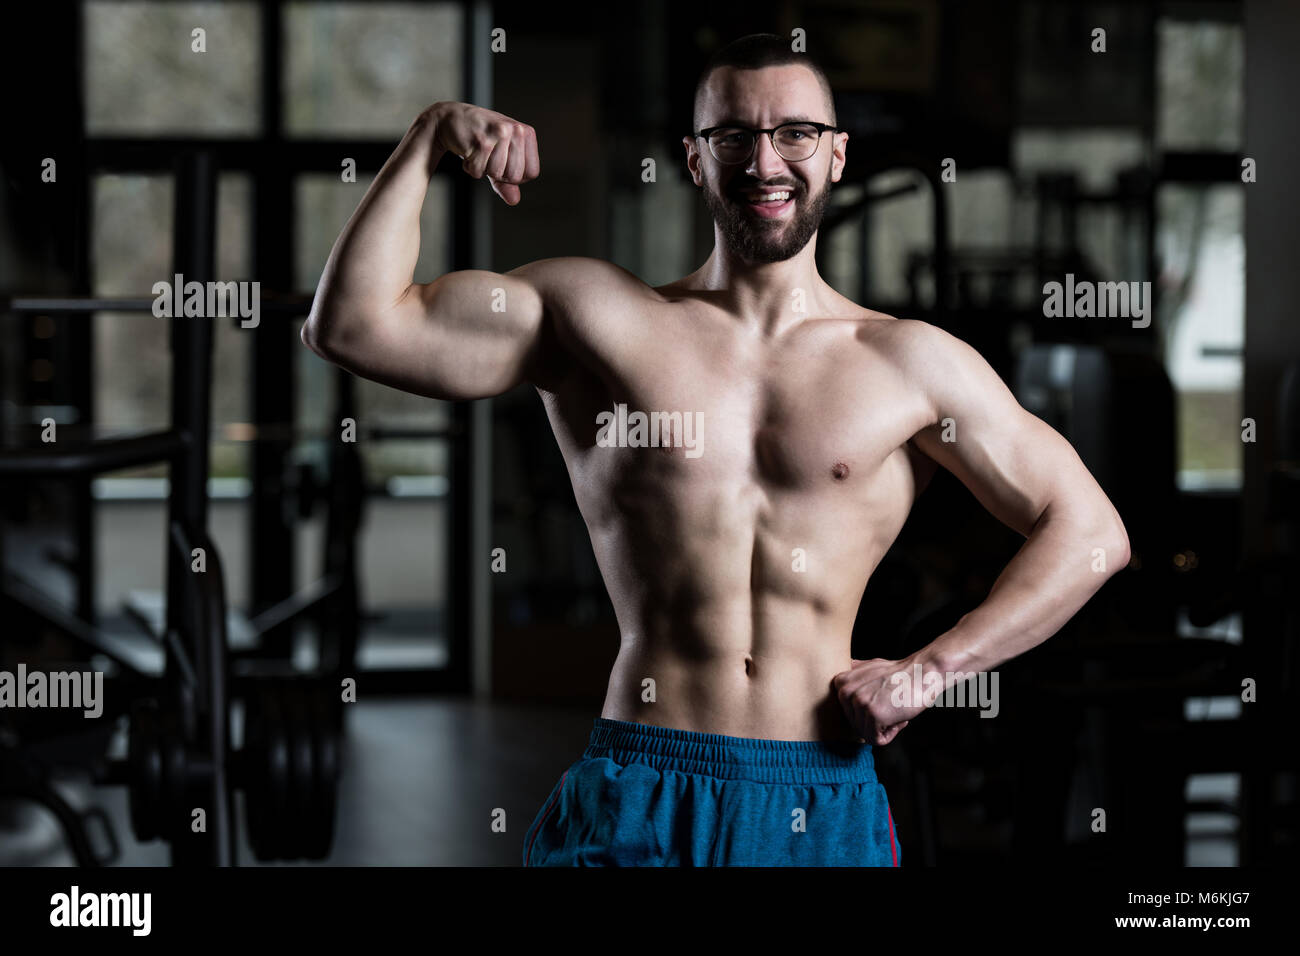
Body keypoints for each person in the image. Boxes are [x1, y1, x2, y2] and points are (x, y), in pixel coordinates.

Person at [301, 33, 1130, 866]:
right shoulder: (596, 318)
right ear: (694, 161)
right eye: (733, 135)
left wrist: (933, 669)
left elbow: (1091, 531)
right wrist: (427, 139)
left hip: (820, 792)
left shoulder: (911, 364)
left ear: (837, 155)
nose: (765, 161)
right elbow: (351, 327)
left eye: (795, 133)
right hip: (643, 785)